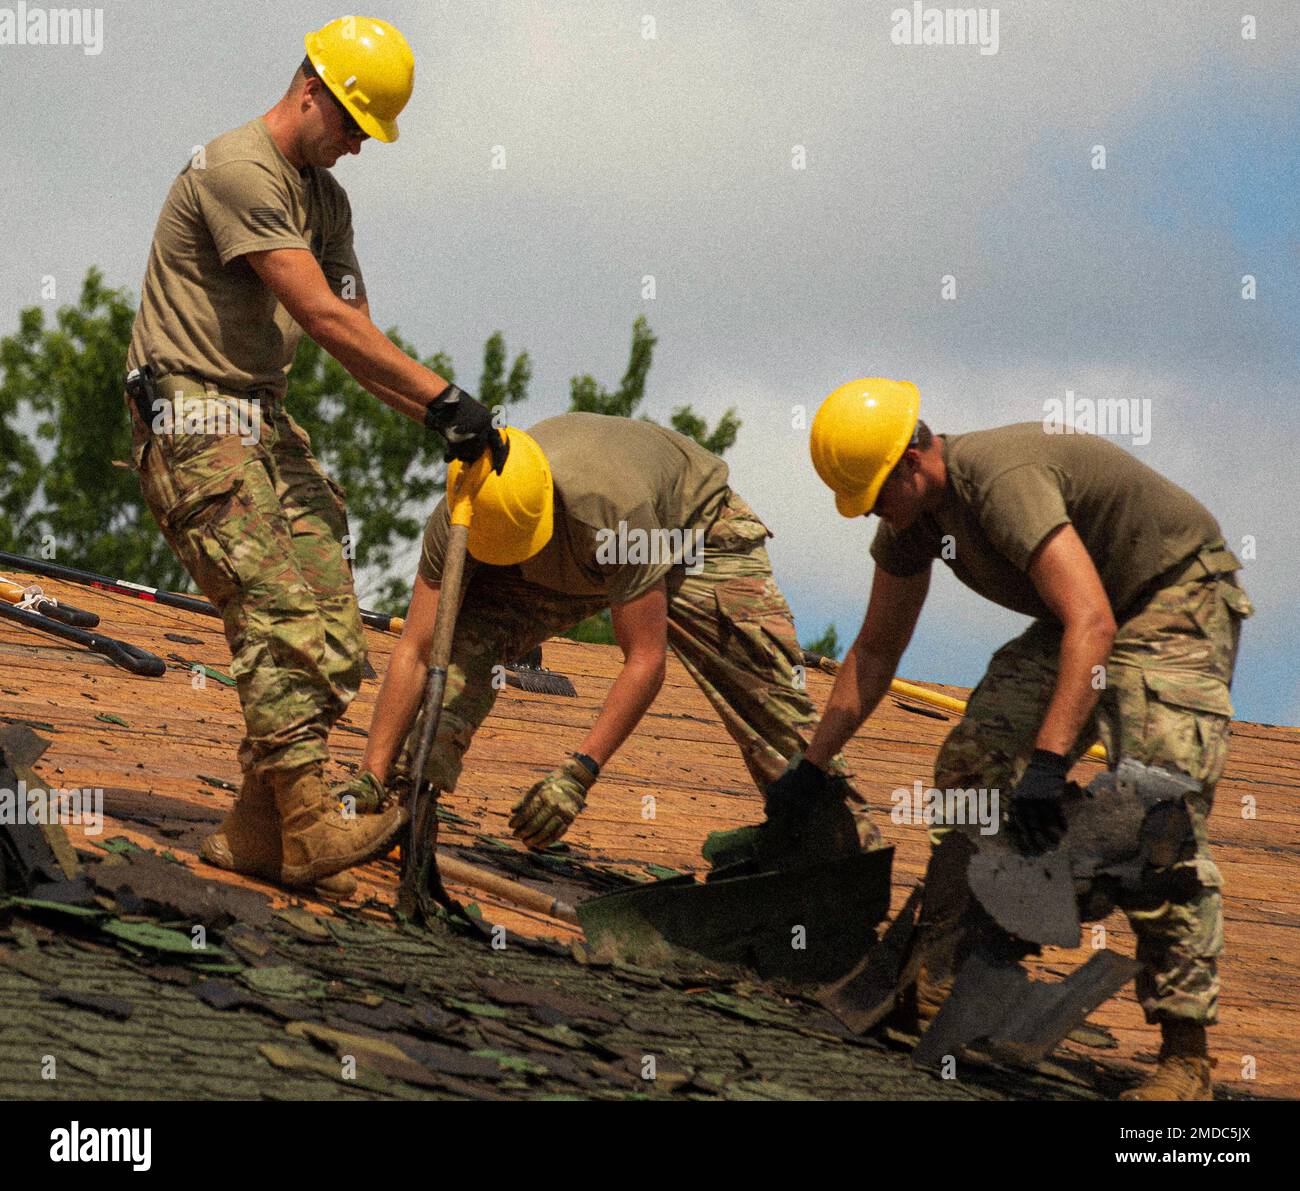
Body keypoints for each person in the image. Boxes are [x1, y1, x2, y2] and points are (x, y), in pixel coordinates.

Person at [775, 377, 1252, 1101]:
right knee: (976, 761)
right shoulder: (911, 523)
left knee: (1156, 815)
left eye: (874, 492)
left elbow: (1093, 622)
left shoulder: (1000, 480)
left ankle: (1186, 1061)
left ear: (912, 460)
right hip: (1090, 615)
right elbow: (873, 654)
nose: (872, 510)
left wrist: (1050, 763)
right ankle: (948, 974)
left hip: (1172, 597)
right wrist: (812, 765)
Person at [124, 17, 504, 893]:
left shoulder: (325, 202)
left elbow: (354, 330)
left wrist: (445, 423)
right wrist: (445, 395)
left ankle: (255, 830)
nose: (360, 150)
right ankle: (305, 826)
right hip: (191, 414)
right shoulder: (235, 170)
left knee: (333, 632)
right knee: (279, 613)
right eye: (355, 128)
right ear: (311, 93)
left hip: (259, 418)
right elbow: (323, 316)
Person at [341, 411, 882, 862]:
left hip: (692, 535)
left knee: (768, 702)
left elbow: (646, 659)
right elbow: (415, 651)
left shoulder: (612, 513)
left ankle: (837, 852)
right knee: (457, 647)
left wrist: (578, 774)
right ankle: (407, 798)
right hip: (561, 547)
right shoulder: (461, 512)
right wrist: (370, 770)